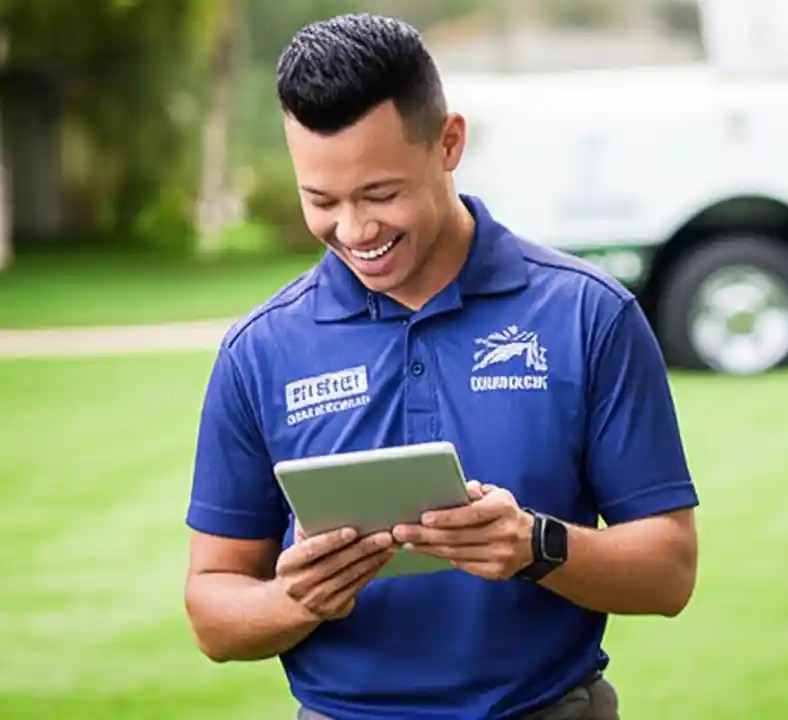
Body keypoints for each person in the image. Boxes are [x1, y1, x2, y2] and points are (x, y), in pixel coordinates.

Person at [182, 12, 699, 720]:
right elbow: (212, 610)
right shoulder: (260, 352)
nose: (356, 231)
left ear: (449, 142)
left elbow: (669, 573)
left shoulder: (588, 316)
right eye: (321, 201)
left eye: (381, 194)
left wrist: (533, 545)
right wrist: (293, 598)